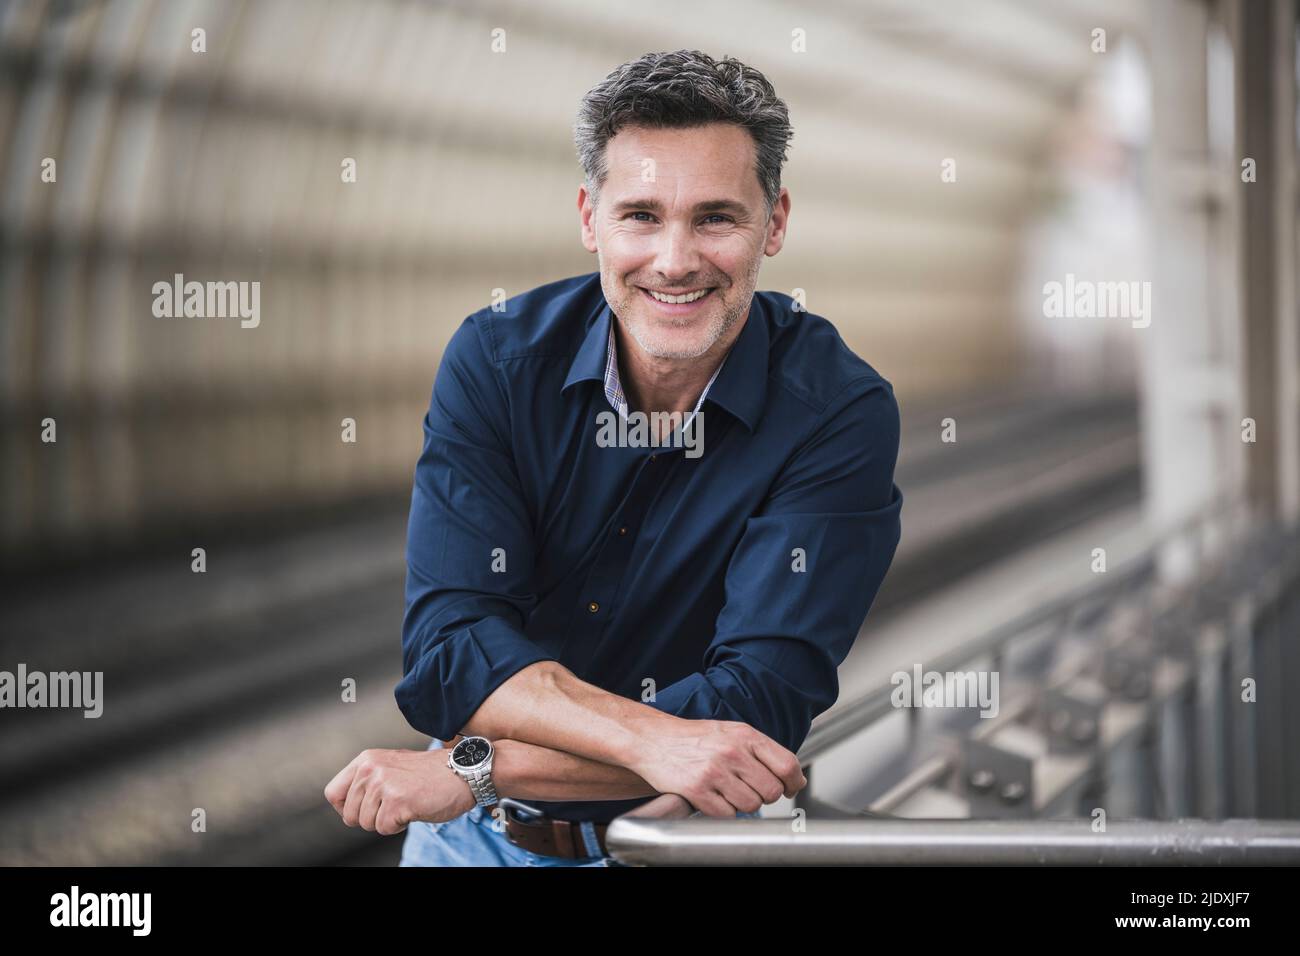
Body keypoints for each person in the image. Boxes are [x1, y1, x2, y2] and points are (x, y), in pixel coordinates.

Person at [325, 49, 903, 866]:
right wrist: (660, 740)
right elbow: (452, 651)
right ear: (590, 218)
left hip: (673, 842)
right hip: (470, 849)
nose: (674, 261)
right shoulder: (495, 361)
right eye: (640, 215)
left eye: (715, 218)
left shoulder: (836, 409)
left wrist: (478, 768)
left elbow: (759, 702)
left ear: (773, 223)